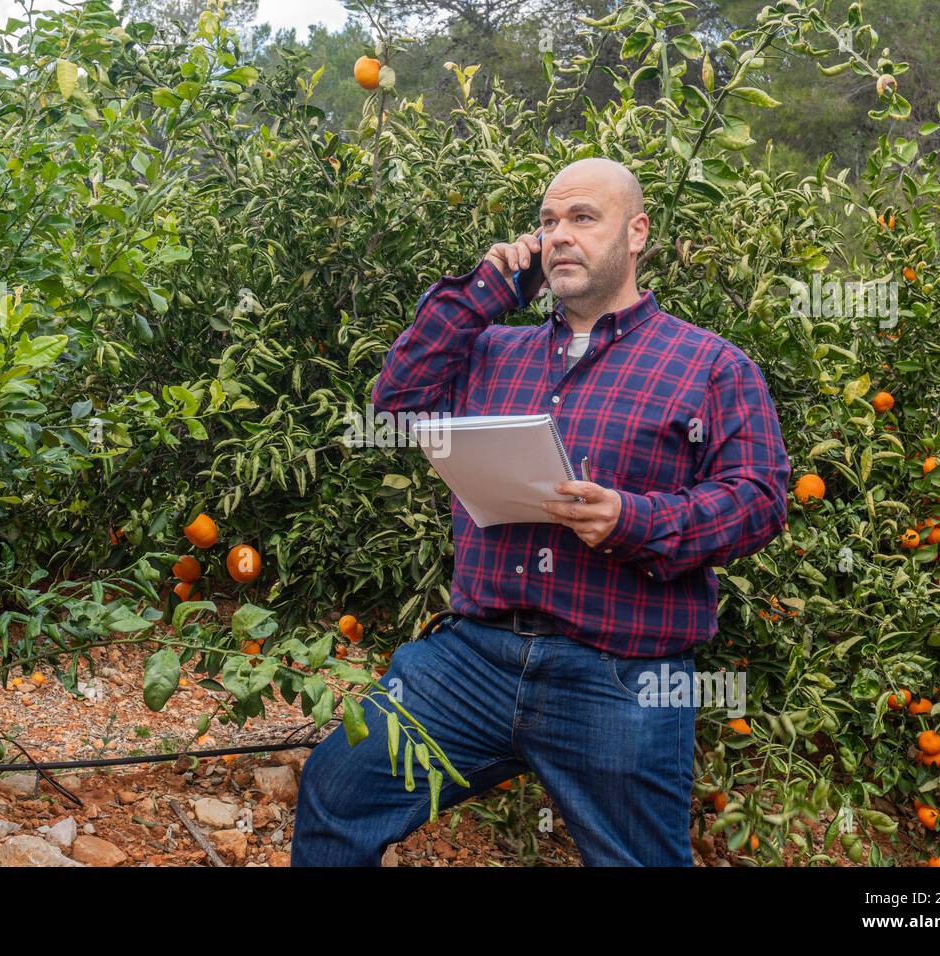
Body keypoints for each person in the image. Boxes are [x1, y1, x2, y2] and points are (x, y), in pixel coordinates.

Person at [290, 157, 790, 866]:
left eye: (583, 218)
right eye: (548, 222)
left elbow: (760, 500)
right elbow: (395, 403)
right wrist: (485, 292)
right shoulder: (494, 350)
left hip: (619, 674)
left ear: (637, 232)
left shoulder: (710, 366)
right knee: (339, 791)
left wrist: (632, 519)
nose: (559, 235)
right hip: (473, 659)